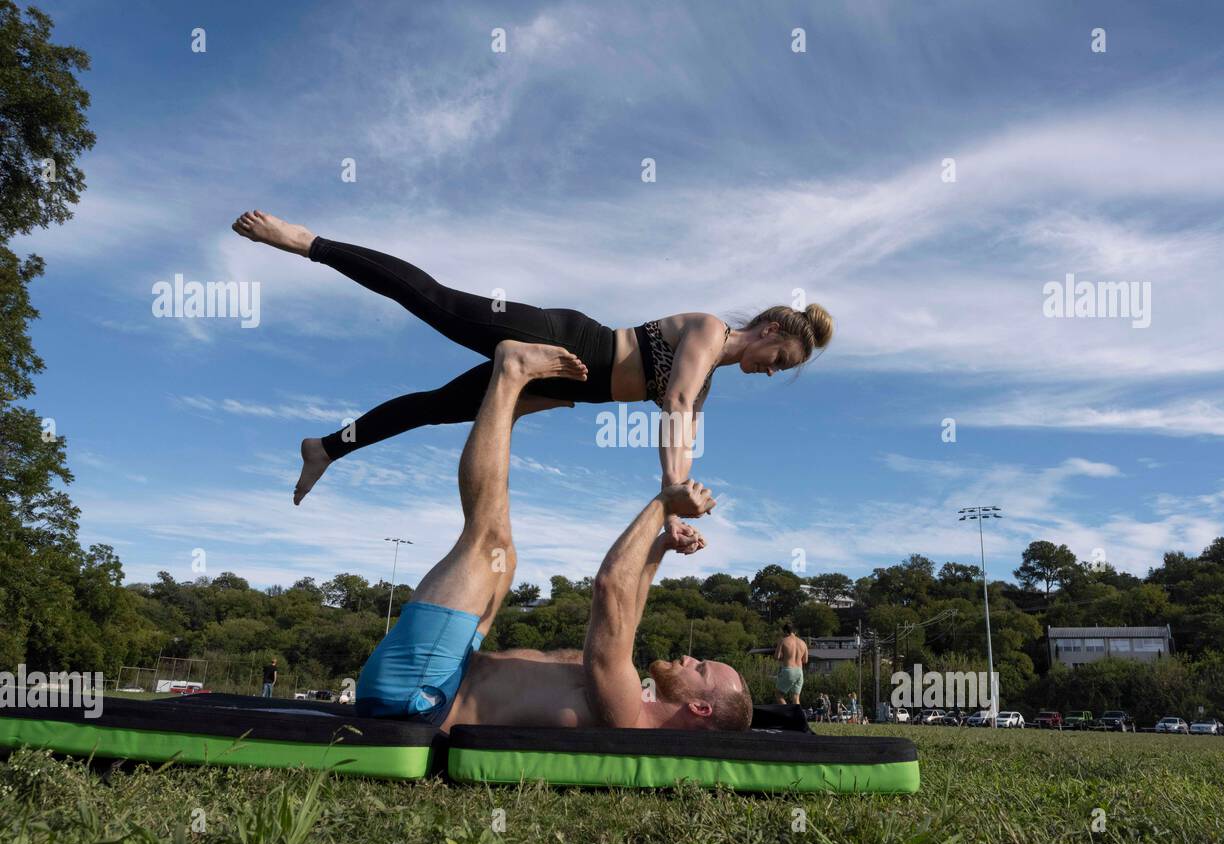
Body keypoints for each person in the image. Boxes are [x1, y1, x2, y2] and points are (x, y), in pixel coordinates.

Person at [230, 211, 833, 554]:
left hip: (552, 382)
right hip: (559, 340)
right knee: (437, 302)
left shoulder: (705, 385)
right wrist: (675, 487)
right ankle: (305, 242)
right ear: (769, 327)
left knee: (438, 407)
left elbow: (682, 432)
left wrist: (673, 514)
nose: (771, 371)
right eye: (778, 357)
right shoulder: (707, 331)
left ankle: (327, 447)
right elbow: (672, 403)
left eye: (780, 371)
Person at [353, 339, 752, 732]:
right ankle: (505, 415)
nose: (689, 656)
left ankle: (510, 373)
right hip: (448, 673)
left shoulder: (625, 710)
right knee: (503, 560)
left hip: (418, 695)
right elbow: (625, 617)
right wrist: (659, 548)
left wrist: (664, 503)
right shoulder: (630, 697)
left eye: (700, 668)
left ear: (699, 707)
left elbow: (610, 588)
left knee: (486, 540)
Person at [773, 623, 807, 706]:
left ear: (785, 631)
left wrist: (785, 657)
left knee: (779, 694)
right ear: (794, 631)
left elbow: (776, 657)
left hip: (788, 670)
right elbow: (805, 660)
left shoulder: (783, 640)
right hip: (799, 671)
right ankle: (797, 717)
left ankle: (787, 714)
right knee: (796, 698)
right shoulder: (803, 643)